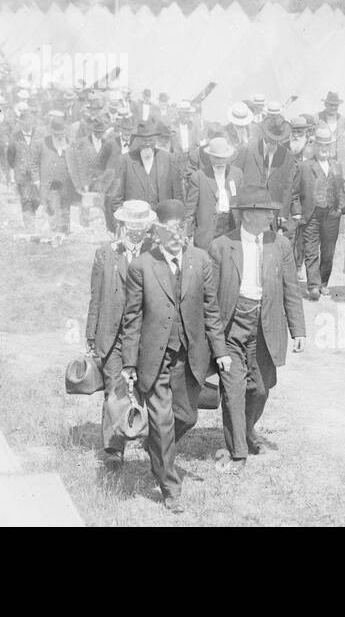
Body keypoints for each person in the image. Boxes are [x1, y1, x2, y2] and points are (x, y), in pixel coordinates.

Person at [120, 199, 230, 512]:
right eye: (169, 229)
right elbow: (132, 318)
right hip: (155, 358)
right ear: (157, 232)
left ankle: (155, 444)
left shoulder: (201, 261)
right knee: (162, 422)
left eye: (181, 227)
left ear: (187, 228)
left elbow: (211, 311)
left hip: (189, 356)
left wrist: (220, 352)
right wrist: (129, 363)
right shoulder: (143, 266)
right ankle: (170, 487)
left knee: (187, 416)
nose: (176, 234)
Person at [208, 187, 306, 472]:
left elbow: (291, 291)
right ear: (248, 214)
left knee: (261, 389)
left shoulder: (281, 244)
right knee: (234, 390)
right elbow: (210, 299)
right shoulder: (221, 246)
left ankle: (248, 430)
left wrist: (298, 330)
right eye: (265, 212)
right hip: (233, 326)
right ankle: (238, 452)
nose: (271, 217)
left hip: (264, 327)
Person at [86, 199, 155, 469]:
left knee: (145, 388)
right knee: (114, 389)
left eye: (141, 226)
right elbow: (96, 296)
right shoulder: (105, 254)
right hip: (112, 335)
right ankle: (114, 447)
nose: (136, 231)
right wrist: (91, 333)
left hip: (143, 334)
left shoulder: (154, 254)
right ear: (122, 225)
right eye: (131, 226)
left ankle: (148, 437)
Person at [286, 125, 345, 301]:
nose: (324, 149)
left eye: (327, 146)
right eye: (321, 146)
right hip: (311, 215)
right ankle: (313, 286)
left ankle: (323, 283)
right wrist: (297, 212)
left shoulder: (336, 166)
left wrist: (342, 207)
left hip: (332, 215)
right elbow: (294, 193)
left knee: (328, 252)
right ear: (315, 147)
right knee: (311, 250)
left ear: (331, 147)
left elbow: (341, 189)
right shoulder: (304, 166)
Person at [107, 120, 183, 216]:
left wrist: (175, 219)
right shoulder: (125, 160)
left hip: (162, 221)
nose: (147, 144)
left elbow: (178, 195)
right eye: (143, 140)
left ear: (156, 140)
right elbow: (116, 199)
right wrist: (122, 222)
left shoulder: (169, 159)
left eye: (150, 140)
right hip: (134, 222)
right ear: (137, 140)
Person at [186, 136, 244, 250]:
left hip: (231, 229)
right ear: (210, 157)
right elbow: (190, 210)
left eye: (224, 158)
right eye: (217, 158)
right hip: (208, 233)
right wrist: (187, 235)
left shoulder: (237, 174)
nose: (221, 162)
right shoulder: (198, 177)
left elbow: (242, 203)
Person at [38, 117, 79, 233]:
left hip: (66, 183)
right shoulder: (43, 143)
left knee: (65, 208)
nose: (60, 136)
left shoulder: (71, 143)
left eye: (61, 133)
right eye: (57, 134)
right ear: (52, 132)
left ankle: (65, 232)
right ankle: (54, 233)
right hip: (50, 183)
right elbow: (35, 161)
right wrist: (37, 179)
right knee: (52, 207)